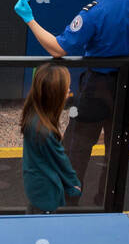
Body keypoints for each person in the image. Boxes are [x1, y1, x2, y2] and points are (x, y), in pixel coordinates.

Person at [12, 0, 129, 206]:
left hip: (97, 89)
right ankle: (109, 200)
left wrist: (29, 19)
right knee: (118, 145)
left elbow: (58, 48)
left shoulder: (95, 12)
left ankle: (68, 204)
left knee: (77, 145)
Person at [20, 64, 82, 214]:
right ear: (55, 95)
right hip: (46, 194)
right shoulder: (44, 131)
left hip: (35, 187)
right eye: (66, 88)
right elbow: (60, 159)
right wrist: (74, 185)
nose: (69, 90)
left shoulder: (34, 115)